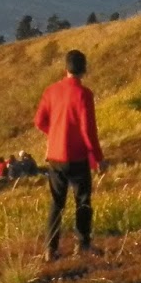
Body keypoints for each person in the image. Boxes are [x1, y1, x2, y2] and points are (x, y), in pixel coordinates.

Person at [34, 48, 103, 256]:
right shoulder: (84, 94)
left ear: (65, 68)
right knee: (82, 201)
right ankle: (82, 244)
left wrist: (54, 133)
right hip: (78, 157)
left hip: (55, 156)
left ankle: (50, 249)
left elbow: (39, 121)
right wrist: (98, 158)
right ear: (84, 70)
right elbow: (88, 131)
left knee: (57, 203)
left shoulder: (51, 91)